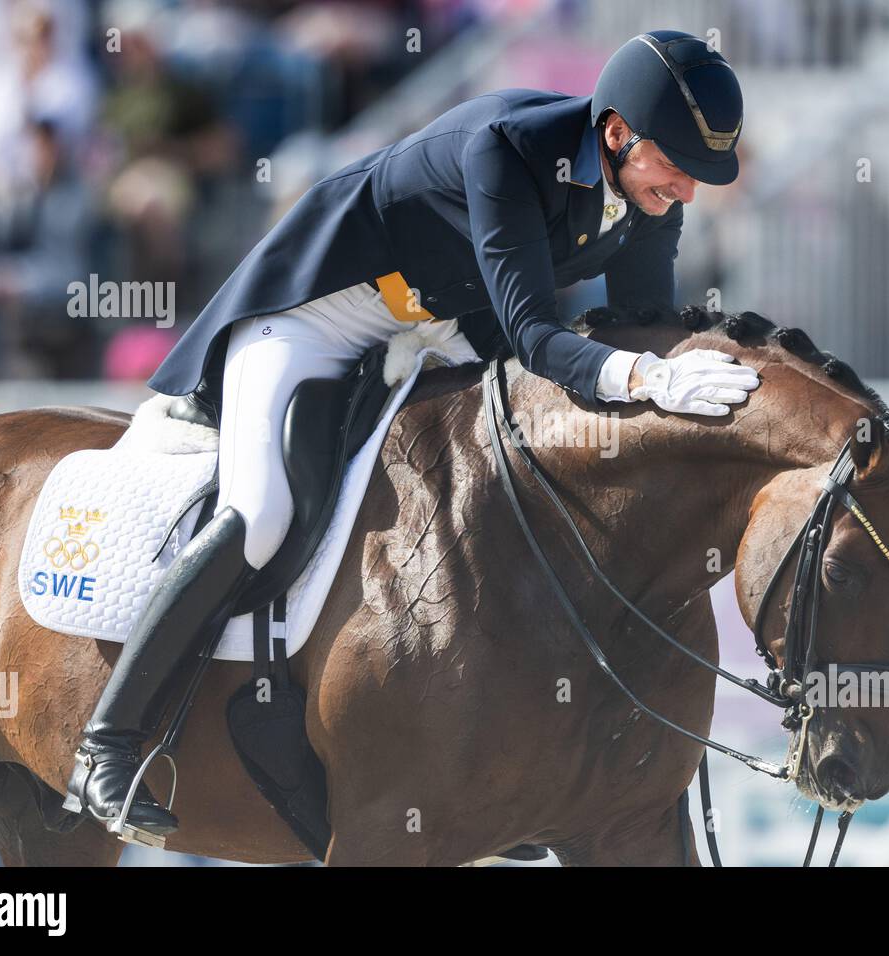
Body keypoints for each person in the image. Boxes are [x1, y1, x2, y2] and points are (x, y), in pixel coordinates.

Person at [63, 30, 761, 839]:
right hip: (318, 316)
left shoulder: (648, 196)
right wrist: (647, 380)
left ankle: (511, 769)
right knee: (262, 514)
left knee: (518, 485)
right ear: (615, 133)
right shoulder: (508, 150)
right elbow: (536, 333)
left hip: (438, 327)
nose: (685, 190)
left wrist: (700, 381)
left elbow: (646, 327)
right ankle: (106, 744)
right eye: (676, 167)